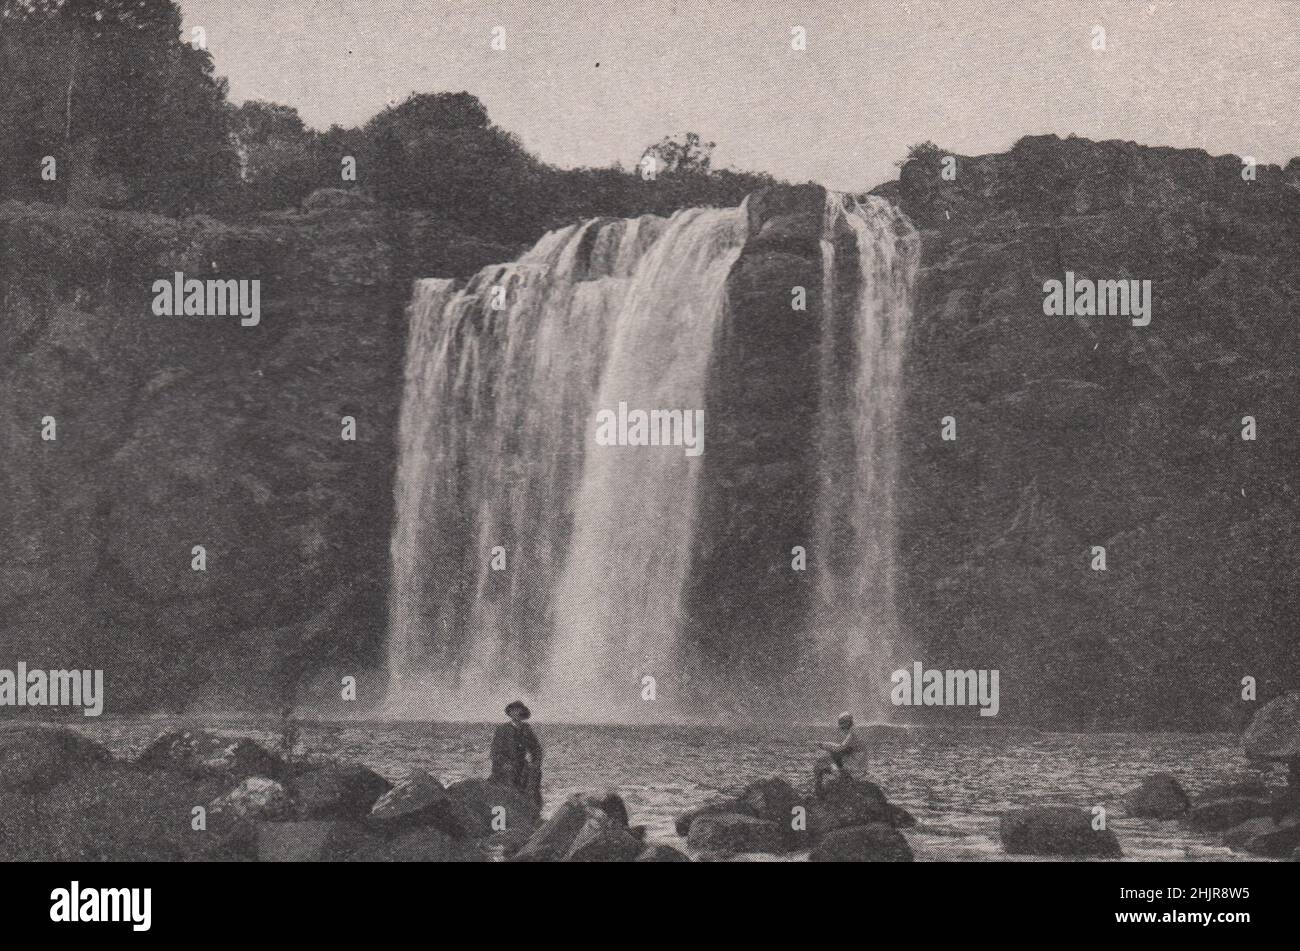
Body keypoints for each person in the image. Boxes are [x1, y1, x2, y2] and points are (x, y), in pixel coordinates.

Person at [490, 700, 543, 807]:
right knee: (509, 778)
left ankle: (535, 807)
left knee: (535, 774)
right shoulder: (502, 729)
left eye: (519, 711)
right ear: (510, 713)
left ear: (522, 713)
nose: (516, 713)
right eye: (513, 711)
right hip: (504, 766)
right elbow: (495, 753)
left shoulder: (526, 729)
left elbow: (536, 749)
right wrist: (504, 764)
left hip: (521, 764)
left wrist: (535, 763)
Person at [813, 711, 864, 796]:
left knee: (832, 756)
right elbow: (843, 748)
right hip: (859, 766)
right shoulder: (854, 734)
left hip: (855, 766)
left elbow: (839, 748)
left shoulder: (852, 735)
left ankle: (841, 776)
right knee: (834, 755)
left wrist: (822, 745)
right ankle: (843, 776)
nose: (841, 726)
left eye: (842, 723)